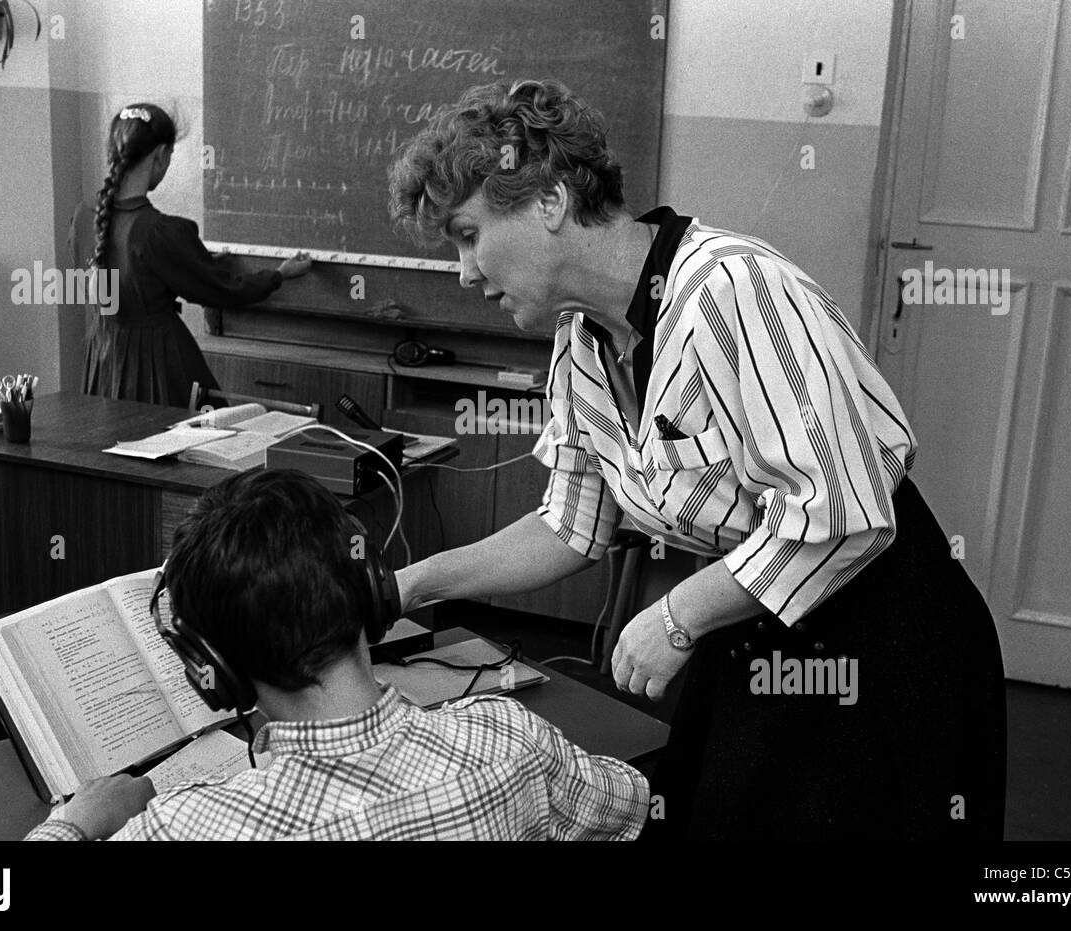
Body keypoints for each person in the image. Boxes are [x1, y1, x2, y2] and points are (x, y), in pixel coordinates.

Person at [386, 79, 1007, 840]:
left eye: (467, 234)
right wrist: (408, 585)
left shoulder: (735, 289)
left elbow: (840, 517)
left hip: (882, 639)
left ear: (546, 201)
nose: (465, 273)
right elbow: (570, 526)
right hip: (758, 625)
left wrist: (680, 615)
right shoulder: (581, 342)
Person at [25, 469, 649, 841]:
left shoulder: (186, 826)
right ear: (374, 594)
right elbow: (632, 804)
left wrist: (77, 825)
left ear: (211, 669)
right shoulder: (512, 741)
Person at [70, 103, 313, 407]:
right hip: (157, 363)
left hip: (104, 358)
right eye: (169, 157)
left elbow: (125, 275)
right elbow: (221, 290)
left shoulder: (84, 215)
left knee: (114, 445)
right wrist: (279, 275)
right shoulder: (160, 232)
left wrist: (196, 262)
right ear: (160, 155)